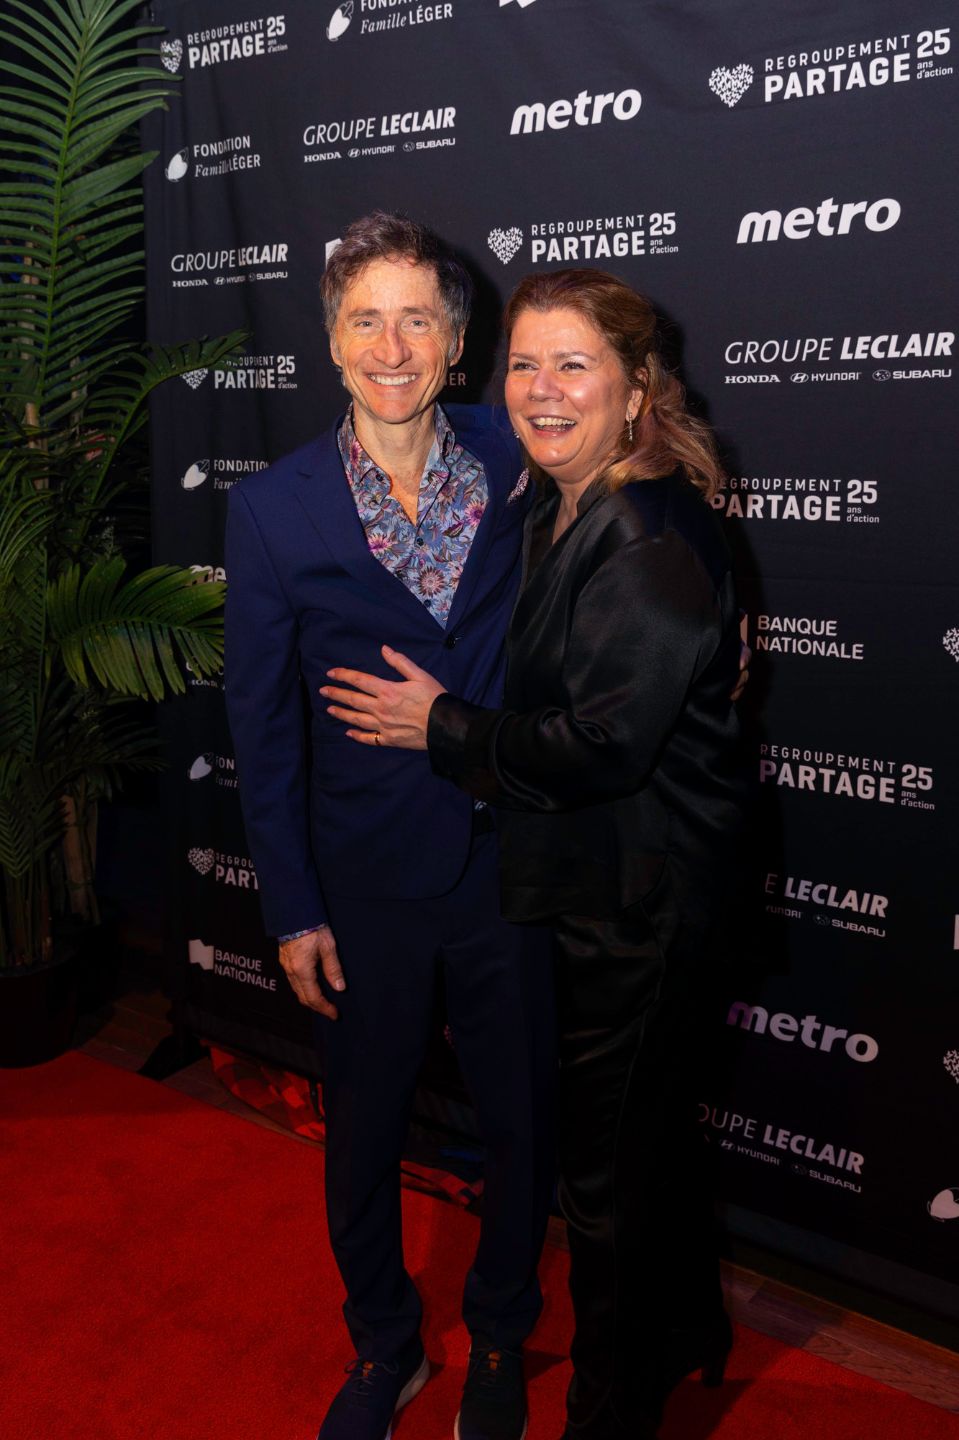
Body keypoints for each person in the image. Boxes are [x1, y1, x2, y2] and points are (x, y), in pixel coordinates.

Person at [321, 267, 746, 1440]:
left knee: (602, 1190)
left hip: (642, 913)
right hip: (604, 889)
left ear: (637, 389)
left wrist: (438, 725)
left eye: (572, 366)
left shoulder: (647, 538)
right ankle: (686, 1334)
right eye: (521, 364)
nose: (540, 390)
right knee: (645, 1153)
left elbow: (600, 745)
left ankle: (610, 1410)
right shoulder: (556, 496)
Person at [224, 213, 557, 1440]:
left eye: (418, 318)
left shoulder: (517, 452)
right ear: (329, 341)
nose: (391, 346)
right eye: (364, 319)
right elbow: (262, 726)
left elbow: (639, 470)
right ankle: (385, 1345)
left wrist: (710, 593)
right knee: (360, 1135)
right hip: (363, 881)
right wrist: (292, 908)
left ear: (458, 342)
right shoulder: (272, 511)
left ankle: (501, 1335)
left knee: (521, 1125)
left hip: (508, 864)